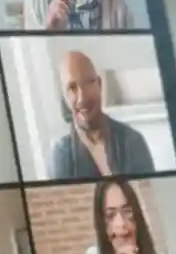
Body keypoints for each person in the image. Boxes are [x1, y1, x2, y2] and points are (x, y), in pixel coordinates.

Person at [48, 50, 155, 179]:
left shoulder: (132, 141)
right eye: (72, 88)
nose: (82, 98)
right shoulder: (62, 154)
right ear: (64, 97)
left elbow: (149, 196)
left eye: (88, 83)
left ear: (99, 84)